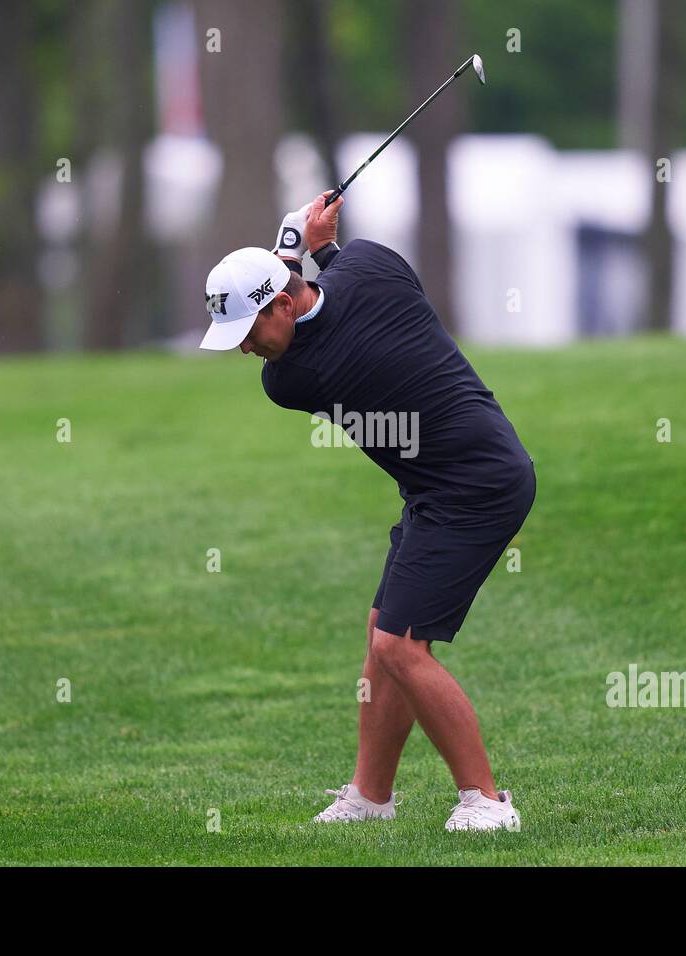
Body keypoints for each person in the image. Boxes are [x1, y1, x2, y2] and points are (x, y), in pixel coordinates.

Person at [199, 192, 536, 831]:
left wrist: (295, 241)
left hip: (477, 486)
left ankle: (486, 801)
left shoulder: (293, 380)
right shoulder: (376, 265)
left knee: (400, 644)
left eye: (247, 333)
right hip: (448, 481)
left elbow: (308, 305)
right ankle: (370, 797)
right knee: (385, 630)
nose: (245, 351)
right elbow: (337, 272)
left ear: (277, 306)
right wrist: (314, 243)